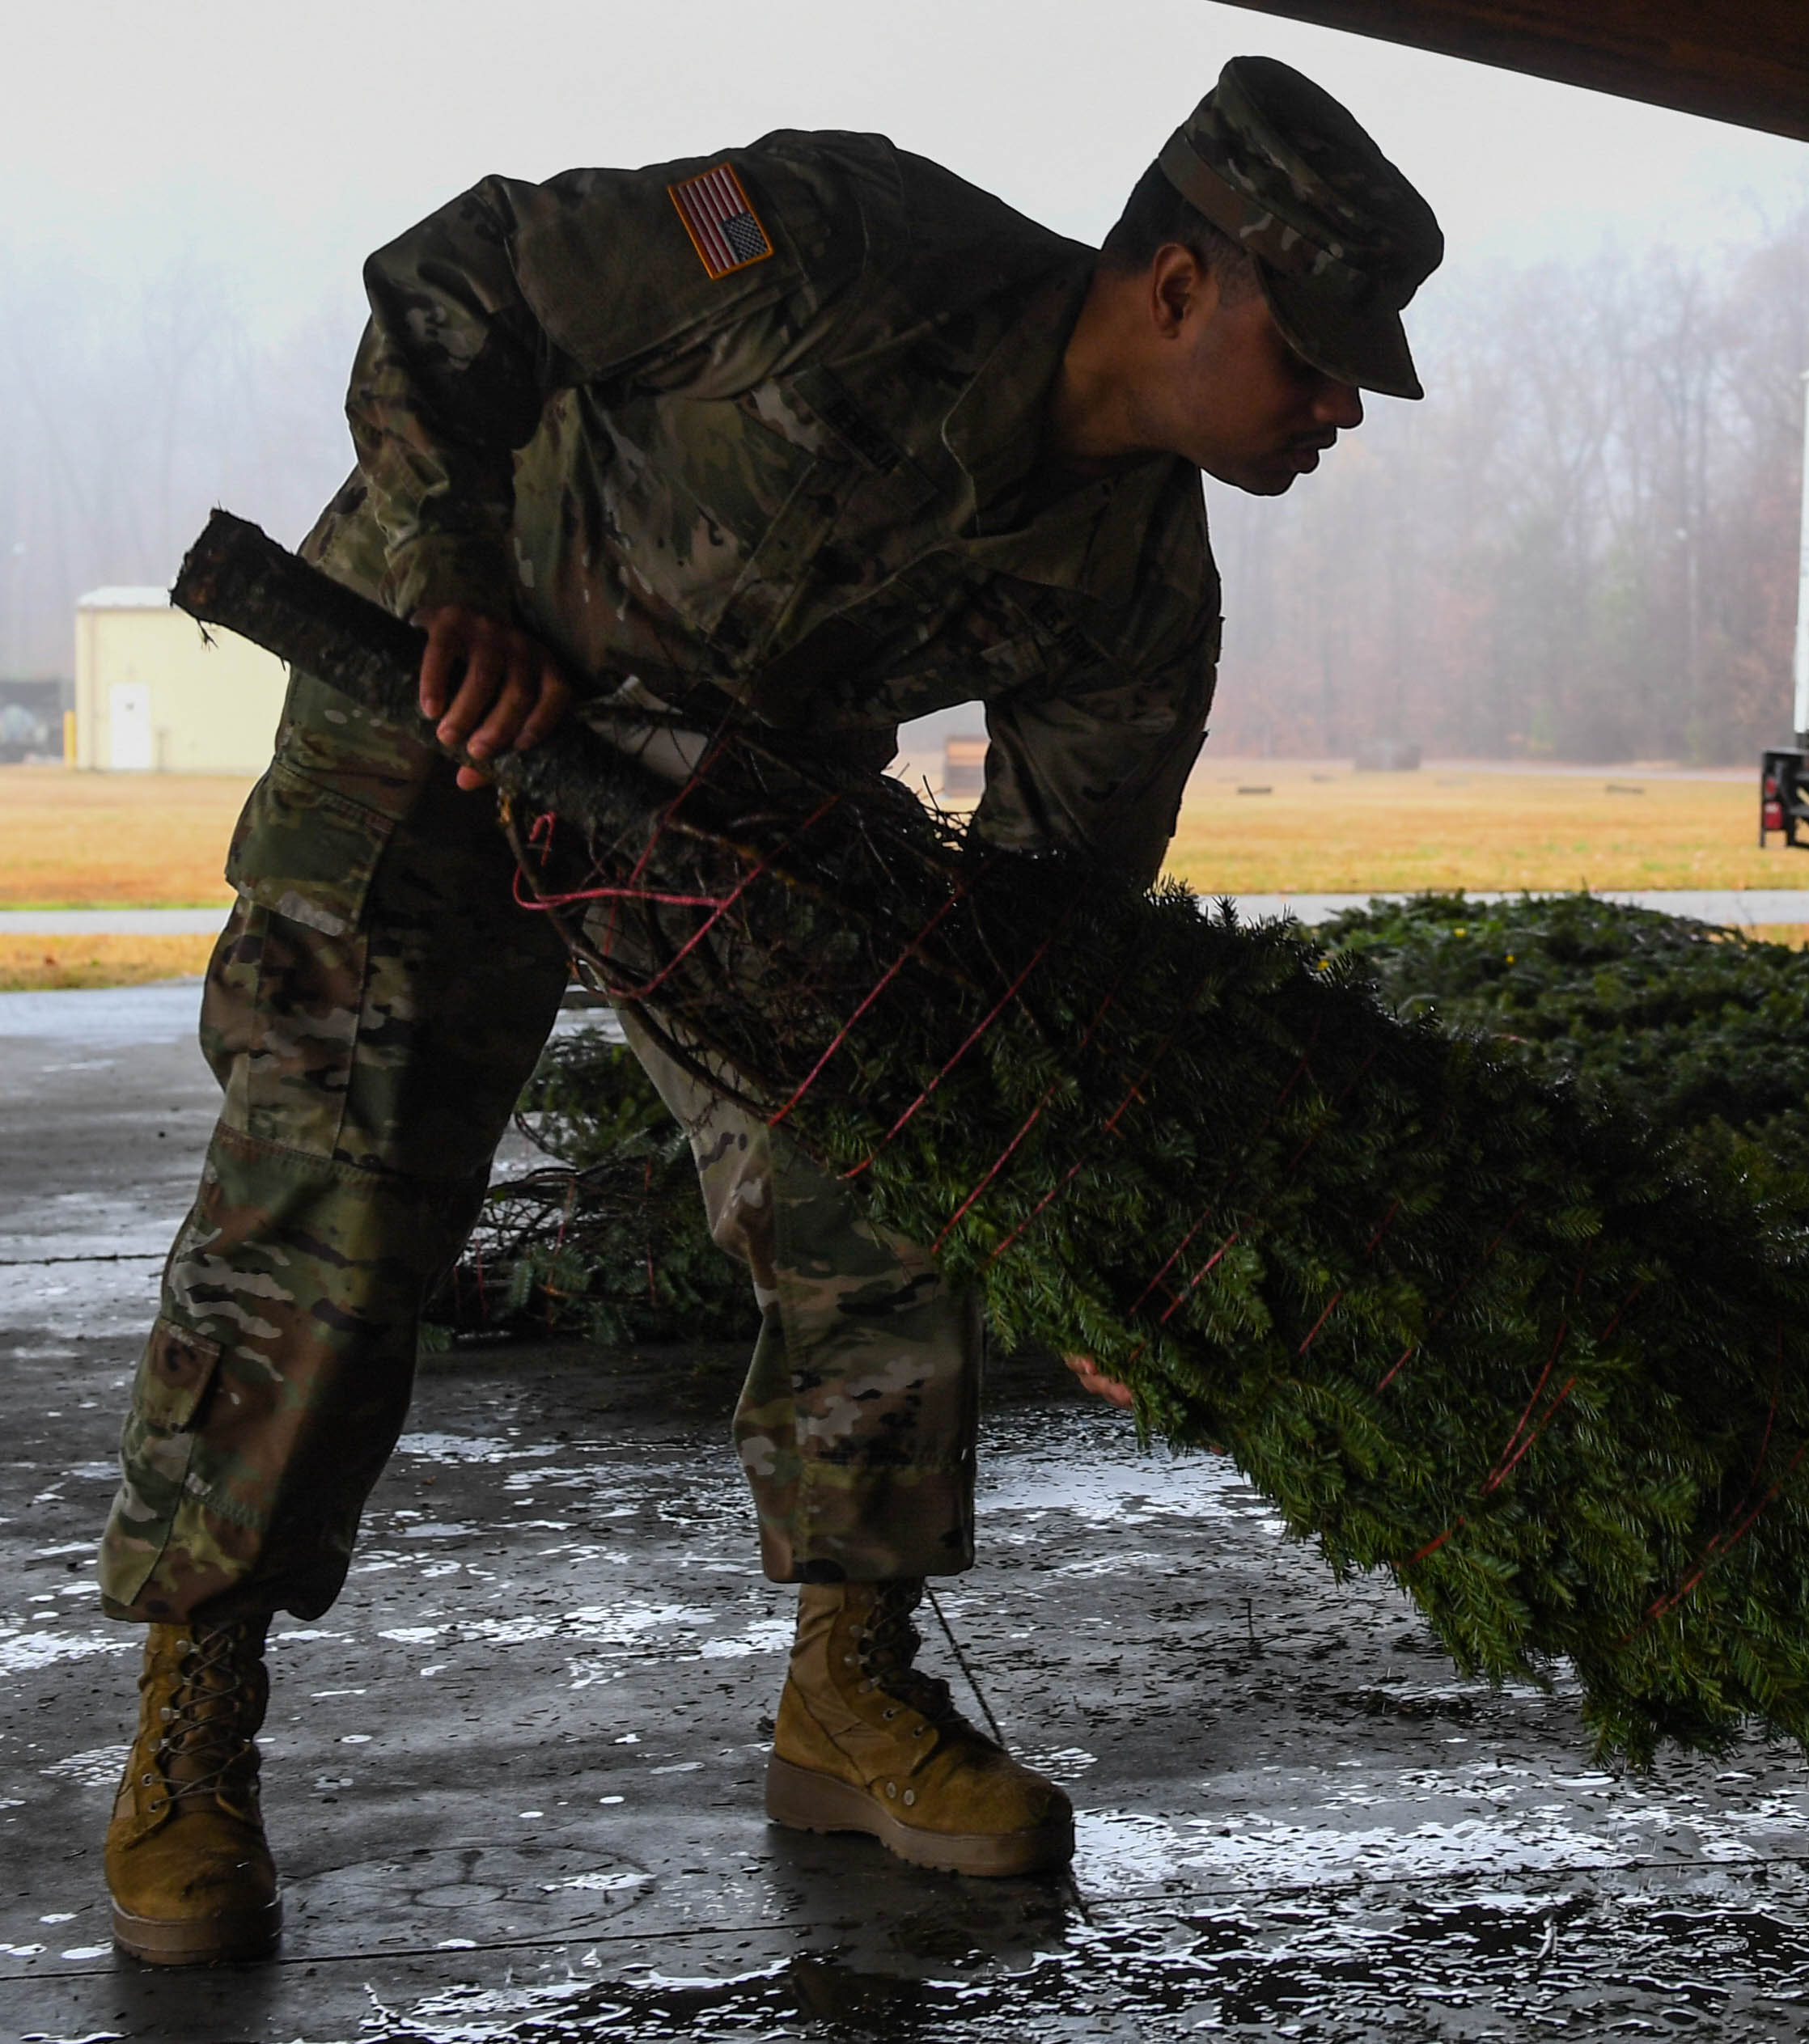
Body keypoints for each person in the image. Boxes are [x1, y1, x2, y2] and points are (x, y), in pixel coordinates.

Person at [93, 56, 1441, 1967]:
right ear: (1173, 287)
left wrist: (1085, 1244)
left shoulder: (1138, 587)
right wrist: (464, 588)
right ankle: (189, 1727)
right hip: (441, 716)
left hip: (719, 830)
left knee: (888, 1144)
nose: (1333, 410)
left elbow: (1030, 956)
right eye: (1314, 355)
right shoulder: (831, 242)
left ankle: (850, 1690)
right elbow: (451, 286)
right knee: (333, 1188)